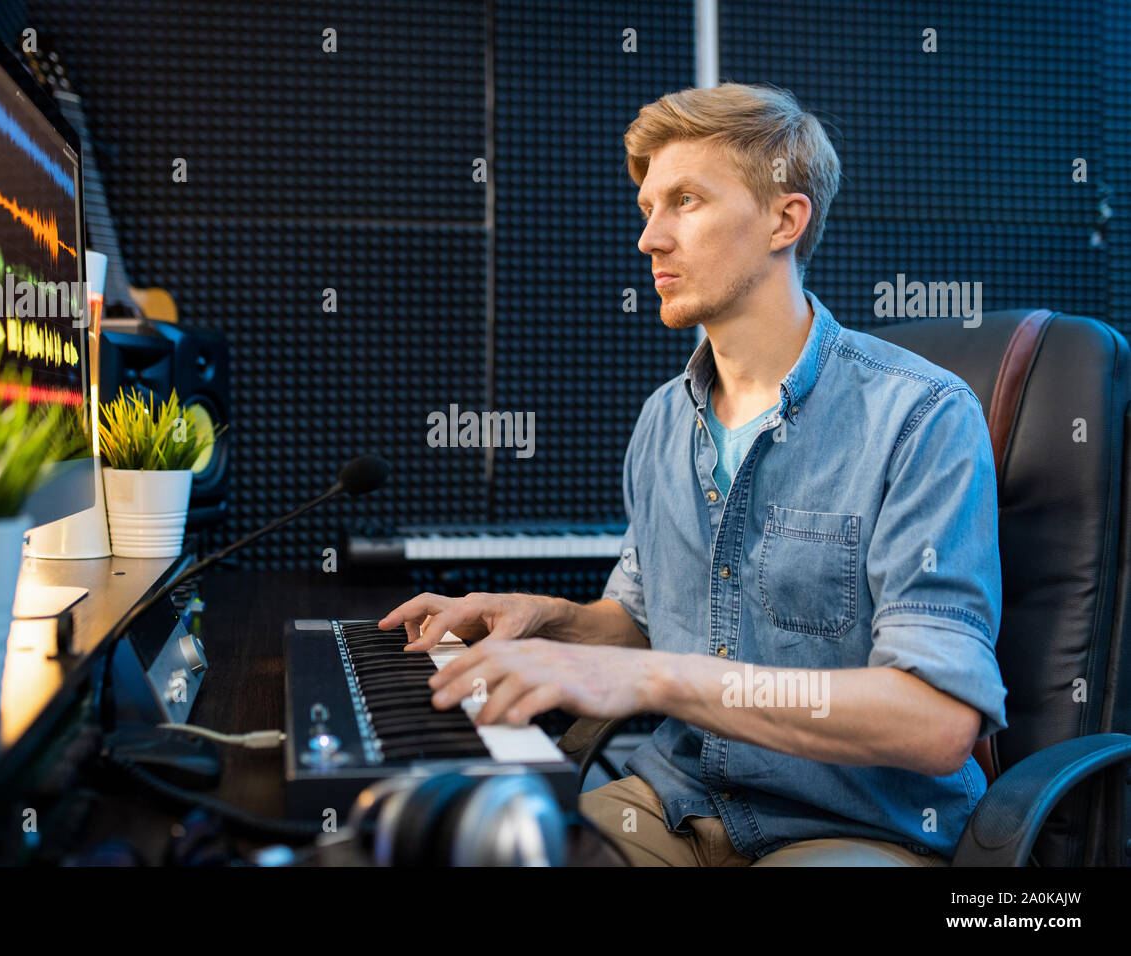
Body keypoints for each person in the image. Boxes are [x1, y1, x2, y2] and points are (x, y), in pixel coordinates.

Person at [379, 82, 1006, 867]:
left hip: (851, 824)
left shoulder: (922, 418)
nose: (649, 238)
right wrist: (549, 619)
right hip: (674, 799)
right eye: (647, 208)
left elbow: (936, 721)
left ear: (785, 218)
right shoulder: (662, 421)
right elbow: (646, 618)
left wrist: (658, 681)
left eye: (684, 201)